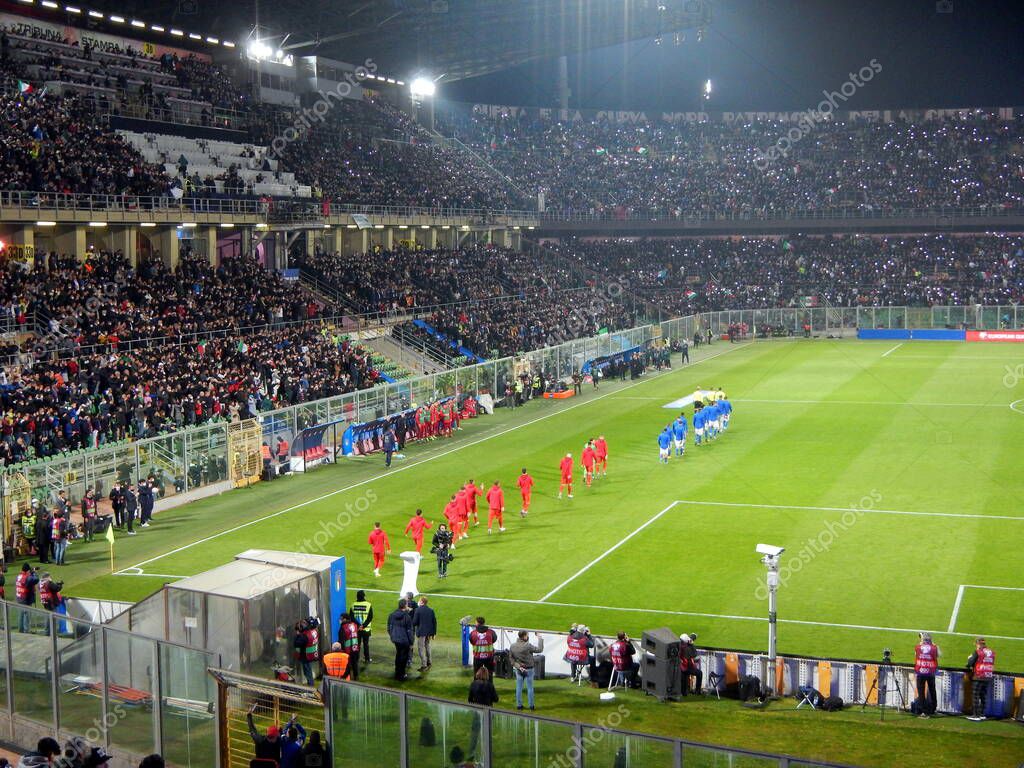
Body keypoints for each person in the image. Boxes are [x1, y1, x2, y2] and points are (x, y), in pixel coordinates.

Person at [510, 629, 544, 710]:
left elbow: (511, 659)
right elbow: (540, 649)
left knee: (519, 688)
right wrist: (540, 637)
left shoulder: (512, 646)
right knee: (530, 688)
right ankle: (531, 706)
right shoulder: (527, 645)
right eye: (527, 635)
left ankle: (519, 705)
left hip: (519, 669)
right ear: (524, 636)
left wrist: (518, 666)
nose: (528, 636)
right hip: (529, 669)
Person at [966, 637, 995, 721]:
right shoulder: (992, 652)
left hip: (979, 675)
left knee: (975, 695)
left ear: (978, 644)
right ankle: (982, 714)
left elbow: (970, 663)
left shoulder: (978, 652)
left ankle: (976, 715)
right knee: (983, 695)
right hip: (988, 675)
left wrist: (969, 659)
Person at [914, 631, 940, 718]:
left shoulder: (918, 647)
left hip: (921, 672)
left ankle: (924, 712)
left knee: (921, 692)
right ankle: (933, 709)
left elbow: (916, 655)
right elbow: (938, 655)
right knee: (932, 690)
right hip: (931, 672)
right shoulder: (934, 647)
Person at [387, 598, 414, 681]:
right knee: (404, 657)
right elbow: (409, 631)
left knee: (398, 655)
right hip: (404, 640)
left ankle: (397, 672)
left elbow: (389, 627)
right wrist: (411, 642)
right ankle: (401, 674)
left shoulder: (391, 615)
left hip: (395, 640)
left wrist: (392, 636)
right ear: (405, 606)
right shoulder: (407, 617)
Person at [413, 596, 437, 671]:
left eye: (419, 600)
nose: (418, 601)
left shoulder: (417, 610)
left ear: (422, 602)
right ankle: (429, 662)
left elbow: (414, 622)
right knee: (427, 646)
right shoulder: (431, 610)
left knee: (421, 649)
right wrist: (434, 633)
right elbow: (434, 622)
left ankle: (424, 665)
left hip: (421, 632)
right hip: (429, 633)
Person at [294, 618, 320, 686]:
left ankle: (311, 685)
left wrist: (298, 635)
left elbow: (296, 644)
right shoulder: (313, 631)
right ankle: (310, 683)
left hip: (306, 656)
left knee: (307, 671)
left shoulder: (304, 636)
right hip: (312, 654)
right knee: (308, 670)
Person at [351, 591, 374, 668]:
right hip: (366, 629)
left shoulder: (353, 605)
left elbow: (352, 617)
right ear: (364, 596)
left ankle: (356, 659)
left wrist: (358, 625)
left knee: (357, 644)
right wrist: (363, 626)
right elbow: (370, 617)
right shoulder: (368, 605)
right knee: (366, 644)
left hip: (357, 629)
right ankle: (367, 658)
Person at [14, 563, 39, 633]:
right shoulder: (27, 578)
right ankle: (26, 631)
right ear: (27, 570)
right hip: (26, 599)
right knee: (27, 615)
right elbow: (36, 579)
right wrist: (34, 573)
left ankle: (21, 630)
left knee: (21, 615)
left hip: (19, 598)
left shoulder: (18, 576)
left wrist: (30, 573)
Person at [338, 612, 361, 680]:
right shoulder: (354, 625)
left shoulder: (343, 627)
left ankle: (346, 678)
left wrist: (342, 650)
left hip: (347, 650)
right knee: (354, 664)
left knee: (347, 665)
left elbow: (341, 640)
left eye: (341, 619)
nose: (340, 620)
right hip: (355, 648)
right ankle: (356, 677)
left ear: (345, 619)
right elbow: (358, 636)